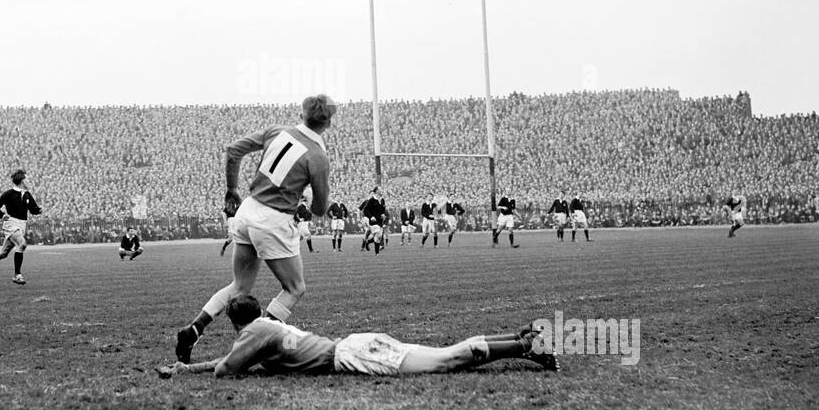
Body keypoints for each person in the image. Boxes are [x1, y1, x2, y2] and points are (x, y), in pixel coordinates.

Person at [174, 93, 337, 364]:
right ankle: (258, 342)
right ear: (328, 123)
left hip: (247, 210)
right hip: (273, 221)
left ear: (301, 115)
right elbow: (320, 210)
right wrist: (314, 196)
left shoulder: (276, 131)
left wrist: (231, 189)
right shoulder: (318, 157)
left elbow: (233, 150)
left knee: (239, 285)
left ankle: (193, 330)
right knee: (295, 288)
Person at [157, 294, 557, 378]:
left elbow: (226, 371)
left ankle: (525, 346)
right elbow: (237, 360)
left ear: (234, 324)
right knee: (443, 355)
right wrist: (182, 367)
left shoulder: (253, 333)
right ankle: (521, 338)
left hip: (352, 356)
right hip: (355, 344)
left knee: (446, 360)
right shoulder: (267, 327)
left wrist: (189, 370)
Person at [0, 169, 41, 285]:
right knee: (22, 244)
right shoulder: (9, 194)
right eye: (26, 179)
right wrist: (2, 215)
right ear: (22, 181)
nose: (28, 181)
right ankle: (17, 275)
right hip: (11, 224)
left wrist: (39, 211)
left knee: (3, 253)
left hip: (21, 225)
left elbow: (33, 209)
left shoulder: (26, 194)